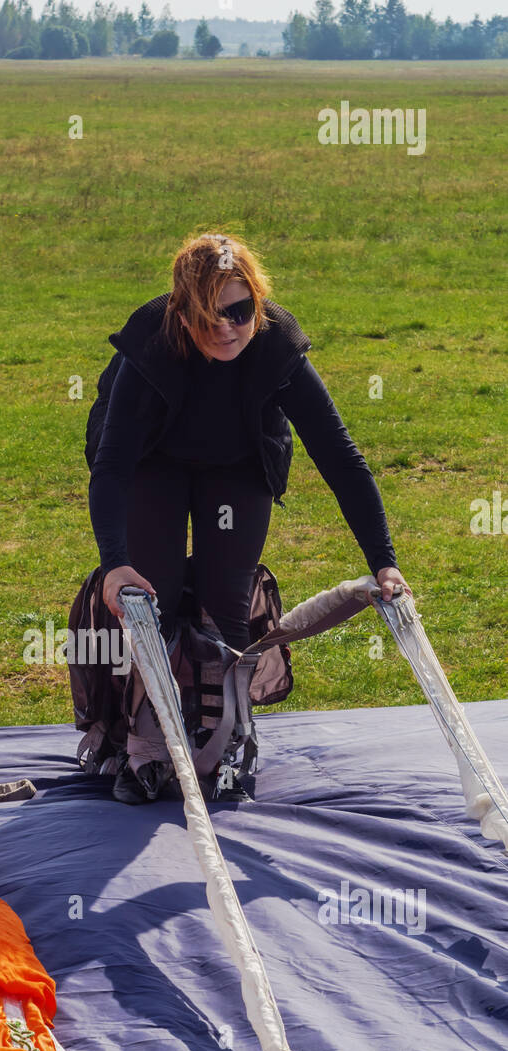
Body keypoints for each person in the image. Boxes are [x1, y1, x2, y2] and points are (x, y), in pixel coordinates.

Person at [87, 231, 412, 805]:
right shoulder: (151, 346)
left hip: (237, 467)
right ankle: (148, 740)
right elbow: (112, 466)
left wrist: (383, 564)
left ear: (257, 304)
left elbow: (341, 457)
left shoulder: (276, 347)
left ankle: (228, 734)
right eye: (208, 316)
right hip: (152, 463)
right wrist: (115, 565)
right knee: (148, 595)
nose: (226, 328)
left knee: (225, 602)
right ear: (182, 312)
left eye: (239, 311)